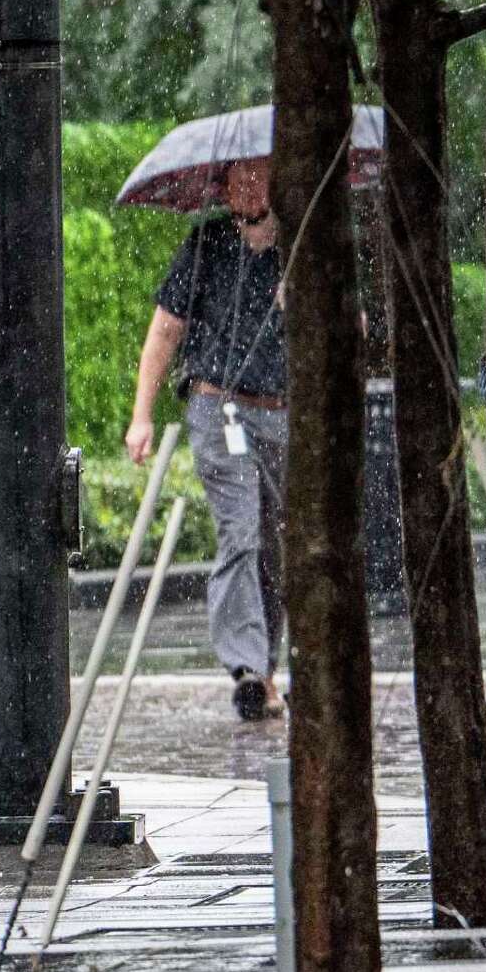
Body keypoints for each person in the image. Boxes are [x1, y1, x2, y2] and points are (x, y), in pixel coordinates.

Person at [126, 158, 287, 723]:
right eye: (233, 177)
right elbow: (165, 328)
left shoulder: (302, 244)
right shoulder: (207, 243)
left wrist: (309, 303)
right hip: (218, 406)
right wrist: (141, 415)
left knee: (279, 547)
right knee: (240, 531)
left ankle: (265, 669)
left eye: (254, 175)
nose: (243, 186)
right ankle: (245, 665)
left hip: (284, 413)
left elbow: (355, 329)